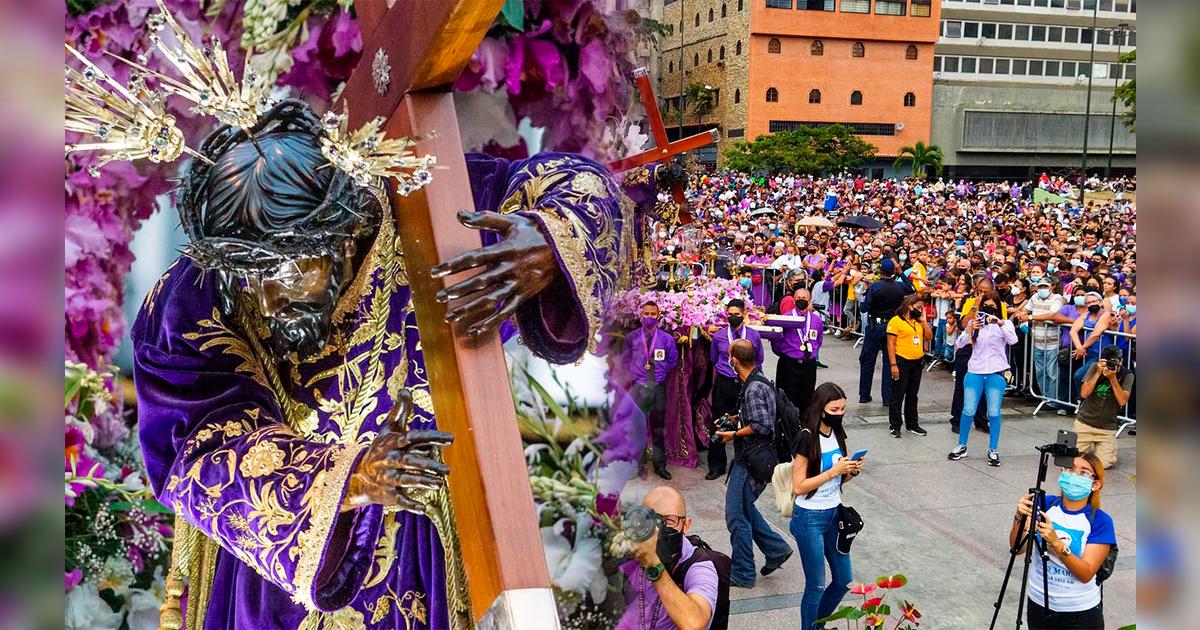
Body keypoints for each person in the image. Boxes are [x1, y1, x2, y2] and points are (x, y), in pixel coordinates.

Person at [716, 339, 793, 589]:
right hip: (755, 456)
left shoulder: (752, 388)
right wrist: (735, 418)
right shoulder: (758, 380)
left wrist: (733, 434)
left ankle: (743, 572)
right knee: (746, 508)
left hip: (751, 460)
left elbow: (761, 425)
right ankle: (776, 549)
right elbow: (762, 415)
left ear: (734, 360)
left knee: (736, 516)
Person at [1011, 454, 1115, 629]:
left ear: (1095, 485)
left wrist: (1056, 543)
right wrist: (1019, 518)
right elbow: (1016, 547)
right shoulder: (1045, 504)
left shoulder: (1100, 521)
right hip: (1038, 602)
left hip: (1079, 612)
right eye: (1070, 469)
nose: (1074, 476)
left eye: (1083, 472)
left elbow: (1086, 573)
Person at [789, 383, 862, 630]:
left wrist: (850, 471)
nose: (840, 413)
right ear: (821, 409)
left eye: (843, 408)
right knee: (816, 584)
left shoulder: (838, 434)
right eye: (835, 409)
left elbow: (840, 478)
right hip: (809, 517)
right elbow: (799, 486)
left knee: (843, 579)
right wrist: (833, 471)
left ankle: (816, 623)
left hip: (835, 513)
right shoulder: (807, 438)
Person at [620, 486, 720, 630]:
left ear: (686, 525)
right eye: (651, 519)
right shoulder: (633, 548)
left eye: (669, 520)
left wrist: (652, 562)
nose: (658, 528)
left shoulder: (699, 566)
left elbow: (694, 623)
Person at [949, 291, 1018, 466]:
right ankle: (962, 445)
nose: (989, 310)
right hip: (975, 371)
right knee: (968, 410)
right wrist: (971, 329)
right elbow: (959, 343)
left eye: (993, 307)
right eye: (986, 306)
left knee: (994, 412)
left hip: (996, 373)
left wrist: (1000, 323)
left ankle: (993, 449)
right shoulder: (974, 323)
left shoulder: (1005, 324)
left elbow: (1013, 340)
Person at [706, 299, 763, 480]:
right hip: (724, 382)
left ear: (744, 313)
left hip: (745, 383)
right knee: (718, 422)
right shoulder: (719, 336)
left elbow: (759, 359)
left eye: (736, 314)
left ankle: (748, 462)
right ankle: (716, 465)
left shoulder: (753, 335)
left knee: (747, 423)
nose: (733, 317)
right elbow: (714, 359)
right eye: (730, 314)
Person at [626, 301, 681, 479]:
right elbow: (625, 359)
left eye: (653, 314)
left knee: (658, 428)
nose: (649, 317)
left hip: (658, 387)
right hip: (638, 386)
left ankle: (660, 465)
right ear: (641, 316)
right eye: (646, 314)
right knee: (637, 427)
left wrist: (660, 373)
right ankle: (637, 465)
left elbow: (673, 361)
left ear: (658, 316)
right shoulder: (631, 338)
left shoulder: (667, 339)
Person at [761, 288, 823, 415]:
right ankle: (786, 427)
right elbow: (776, 339)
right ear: (794, 301)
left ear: (810, 301)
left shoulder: (816, 320)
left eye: (804, 299)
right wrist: (785, 354)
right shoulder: (786, 318)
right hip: (789, 363)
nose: (801, 301)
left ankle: (804, 426)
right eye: (798, 298)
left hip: (808, 364)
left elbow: (819, 339)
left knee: (807, 396)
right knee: (786, 398)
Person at [858, 259, 909, 404]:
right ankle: (887, 397)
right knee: (889, 361)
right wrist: (902, 274)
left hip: (875, 326)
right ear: (894, 271)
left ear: (881, 271)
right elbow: (911, 288)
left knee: (868, 360)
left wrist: (866, 293)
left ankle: (864, 394)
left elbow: (864, 308)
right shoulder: (899, 286)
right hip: (891, 326)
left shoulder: (875, 287)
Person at [1073, 345, 1132, 469]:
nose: (1112, 365)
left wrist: (1113, 378)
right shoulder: (1095, 367)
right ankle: (1085, 451)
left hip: (1107, 427)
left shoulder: (1127, 375)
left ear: (1121, 361)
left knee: (1104, 464)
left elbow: (1122, 401)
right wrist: (1098, 373)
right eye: (1109, 362)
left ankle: (1098, 451)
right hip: (1085, 422)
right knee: (1074, 459)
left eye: (1115, 362)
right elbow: (1084, 393)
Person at [885, 294, 932, 438]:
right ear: (909, 306)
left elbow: (929, 337)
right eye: (917, 307)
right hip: (901, 361)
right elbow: (890, 344)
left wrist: (924, 321)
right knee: (898, 395)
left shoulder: (918, 321)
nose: (920, 310)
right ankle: (895, 425)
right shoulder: (896, 321)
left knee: (913, 395)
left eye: (921, 308)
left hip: (917, 362)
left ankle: (912, 424)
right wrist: (893, 364)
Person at [1023, 276, 1066, 409]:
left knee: (1052, 373)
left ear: (1051, 287)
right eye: (1040, 287)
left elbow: (1052, 315)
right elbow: (1025, 310)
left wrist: (1030, 317)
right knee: (1040, 372)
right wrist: (1023, 317)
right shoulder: (1034, 297)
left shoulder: (1057, 298)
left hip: (1052, 342)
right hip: (1037, 341)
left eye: (1045, 287)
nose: (1042, 289)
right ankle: (1044, 397)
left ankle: (1053, 400)